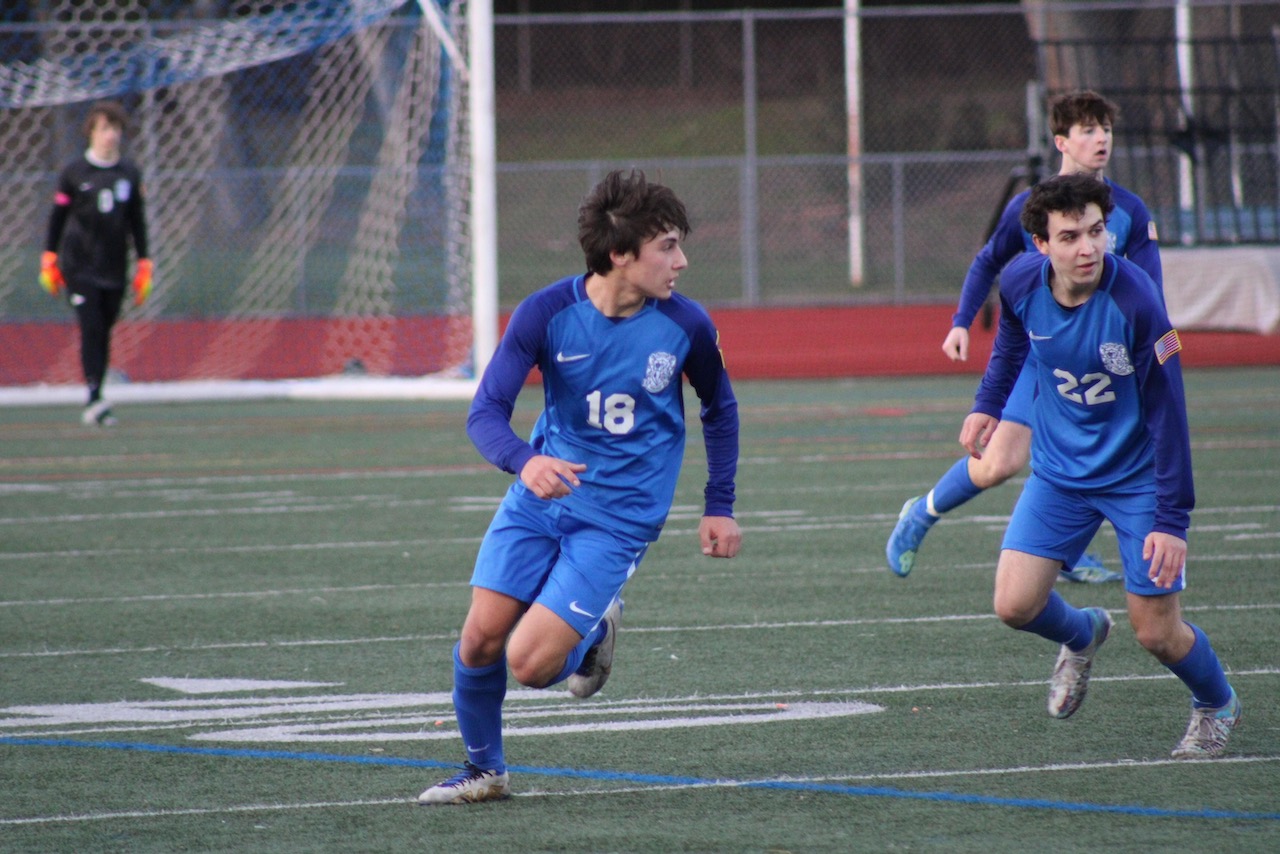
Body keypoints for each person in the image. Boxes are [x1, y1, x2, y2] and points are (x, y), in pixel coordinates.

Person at [418, 169, 742, 805]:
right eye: (668, 246)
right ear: (620, 255)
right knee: (480, 637)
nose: (683, 260)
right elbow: (485, 412)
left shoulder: (687, 326)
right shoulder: (546, 313)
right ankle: (485, 770)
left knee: (530, 665)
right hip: (541, 498)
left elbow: (720, 409)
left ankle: (595, 632)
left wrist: (719, 505)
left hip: (620, 518)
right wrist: (523, 461)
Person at [960, 173, 1239, 759]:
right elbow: (1012, 339)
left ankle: (1216, 703)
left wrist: (1172, 519)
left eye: (1095, 232)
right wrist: (988, 405)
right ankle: (1083, 632)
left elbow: (1169, 414)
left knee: (1157, 634)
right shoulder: (1018, 281)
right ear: (1041, 245)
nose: (1087, 248)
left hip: (1138, 480)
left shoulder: (1138, 303)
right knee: (1014, 605)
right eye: (1069, 237)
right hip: (1060, 474)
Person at [887, 90, 1163, 583]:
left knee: (1106, 449)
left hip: (1103, 360)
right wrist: (960, 321)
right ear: (1062, 140)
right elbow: (988, 262)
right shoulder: (1035, 208)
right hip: (1048, 356)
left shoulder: (1130, 212)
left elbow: (1150, 293)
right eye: (1088, 130)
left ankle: (1066, 549)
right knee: (998, 464)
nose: (1101, 140)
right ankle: (922, 511)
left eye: (1106, 129)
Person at [40, 99, 153, 428]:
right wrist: (49, 257)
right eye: (105, 128)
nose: (111, 135)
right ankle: (94, 398)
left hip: (114, 267)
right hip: (79, 265)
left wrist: (144, 262)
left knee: (103, 330)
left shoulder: (129, 173)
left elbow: (137, 221)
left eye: (116, 128)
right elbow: (57, 218)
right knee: (90, 327)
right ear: (91, 131)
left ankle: (97, 392)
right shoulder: (75, 172)